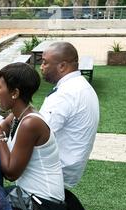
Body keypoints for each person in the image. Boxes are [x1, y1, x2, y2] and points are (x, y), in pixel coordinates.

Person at [0, 62, 66, 210]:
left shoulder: (30, 123)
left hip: (43, 207)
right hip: (28, 195)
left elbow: (11, 173)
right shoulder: (18, 115)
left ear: (14, 93)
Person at [40, 42, 100, 188]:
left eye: (45, 63)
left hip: (54, 171)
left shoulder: (65, 94)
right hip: (69, 168)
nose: (41, 67)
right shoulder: (81, 86)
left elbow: (36, 134)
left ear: (62, 66)